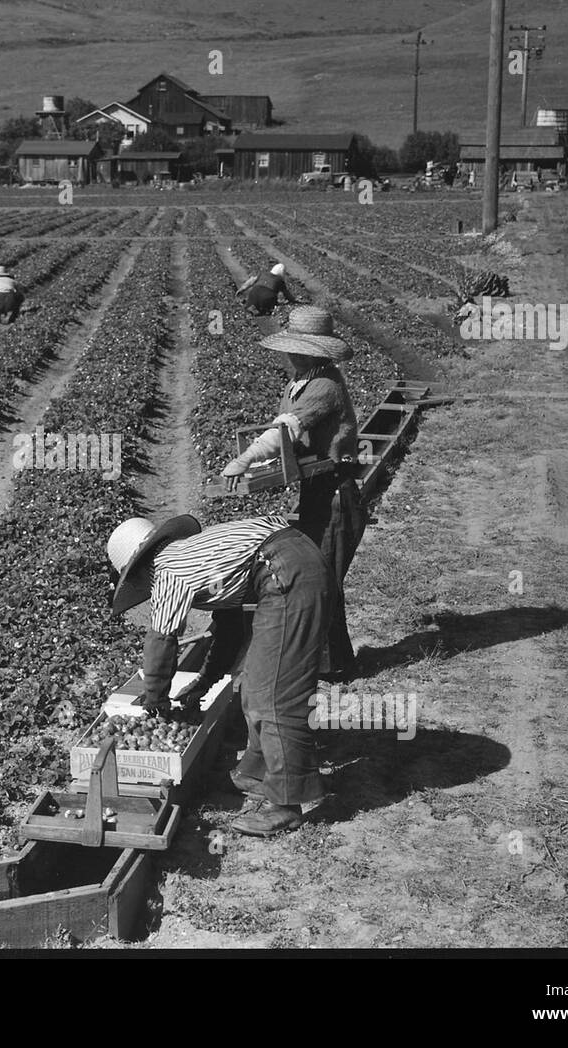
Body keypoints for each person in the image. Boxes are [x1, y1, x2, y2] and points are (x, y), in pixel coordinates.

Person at [106, 513, 334, 835]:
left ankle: (286, 803)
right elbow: (229, 632)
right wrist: (204, 682)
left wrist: (155, 698)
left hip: (285, 572)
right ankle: (256, 771)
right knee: (256, 686)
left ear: (141, 570)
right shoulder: (196, 555)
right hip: (291, 560)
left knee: (274, 694)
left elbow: (161, 640)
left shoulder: (168, 570)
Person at [220, 306, 364, 681]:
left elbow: (286, 430)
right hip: (316, 488)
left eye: (302, 348)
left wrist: (247, 458)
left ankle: (332, 667)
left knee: (325, 578)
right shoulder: (299, 382)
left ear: (318, 351)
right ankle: (327, 661)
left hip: (336, 491)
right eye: (292, 348)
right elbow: (290, 437)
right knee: (316, 574)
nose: (293, 355)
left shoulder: (325, 386)